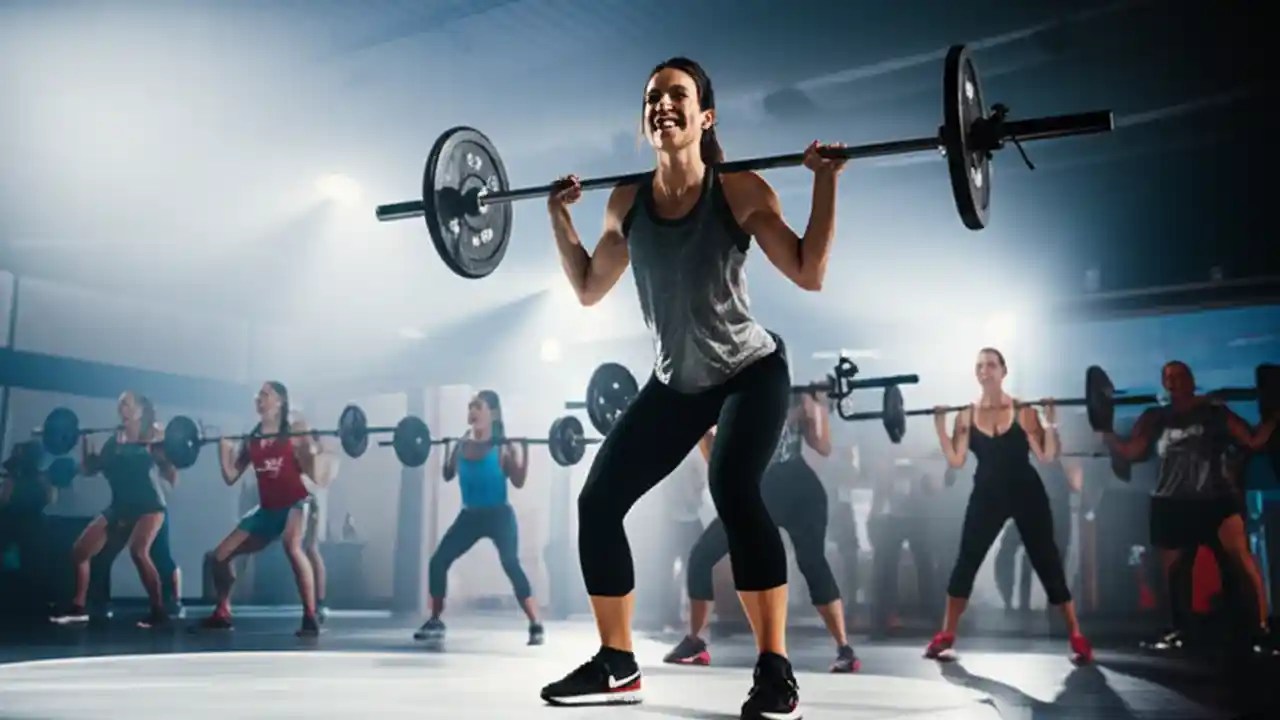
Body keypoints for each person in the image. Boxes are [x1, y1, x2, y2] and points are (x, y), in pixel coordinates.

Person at [538, 55, 845, 719]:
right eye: (653, 97)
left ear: (705, 116)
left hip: (750, 372)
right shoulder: (628, 202)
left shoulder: (738, 190)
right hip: (676, 384)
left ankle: (775, 670)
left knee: (733, 488)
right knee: (598, 502)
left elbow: (808, 271)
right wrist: (559, 220)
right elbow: (591, 287)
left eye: (677, 95)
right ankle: (618, 665)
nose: (662, 106)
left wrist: (825, 185)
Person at [664, 390, 860, 674]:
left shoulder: (785, 398)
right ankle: (695, 643)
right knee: (702, 557)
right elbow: (716, 465)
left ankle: (845, 649)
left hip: (800, 493)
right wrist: (703, 433)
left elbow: (823, 446)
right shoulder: (728, 409)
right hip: (758, 491)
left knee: (812, 563)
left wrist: (820, 408)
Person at [926, 348, 1093, 664]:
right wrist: (939, 427)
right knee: (967, 560)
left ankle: (1076, 635)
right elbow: (957, 460)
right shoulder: (965, 414)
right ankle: (946, 634)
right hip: (987, 494)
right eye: (979, 366)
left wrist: (1052, 423)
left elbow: (1046, 456)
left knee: (1047, 560)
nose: (984, 371)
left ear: (1003, 371)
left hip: (1026, 492)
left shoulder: (1023, 410)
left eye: (991, 365)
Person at [1102, 360, 1277, 654]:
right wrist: (1104, 430)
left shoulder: (1216, 412)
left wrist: (1274, 415)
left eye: (1180, 375)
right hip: (1172, 502)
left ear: (1192, 380)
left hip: (1217, 498)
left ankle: (1260, 629)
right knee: (1175, 575)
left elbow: (1253, 440)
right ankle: (1179, 630)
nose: (1174, 380)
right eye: (1168, 376)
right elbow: (1131, 451)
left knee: (1241, 563)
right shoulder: (1155, 417)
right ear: (1164, 384)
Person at [197, 381, 330, 637]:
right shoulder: (252, 440)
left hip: (296, 502)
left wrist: (312, 444)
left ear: (280, 401)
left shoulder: (294, 430)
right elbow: (231, 476)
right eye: (258, 395)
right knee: (220, 556)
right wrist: (222, 451)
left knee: (292, 546)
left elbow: (315, 461)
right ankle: (222, 611)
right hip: (267, 511)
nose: (259, 399)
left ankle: (310, 616)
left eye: (265, 394)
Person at [413, 390, 543, 646]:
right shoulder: (462, 444)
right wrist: (448, 450)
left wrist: (524, 451)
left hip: (498, 515)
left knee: (510, 563)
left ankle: (535, 622)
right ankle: (436, 620)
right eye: (470, 406)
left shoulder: (503, 447)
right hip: (470, 516)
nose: (472, 411)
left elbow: (518, 482)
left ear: (491, 413)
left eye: (478, 406)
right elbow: (448, 474)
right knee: (438, 561)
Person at [49, 392, 178, 629]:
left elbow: (171, 474)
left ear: (140, 411)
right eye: (120, 404)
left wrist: (164, 451)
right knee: (80, 551)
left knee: (139, 552)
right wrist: (86, 447)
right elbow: (90, 469)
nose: (121, 408)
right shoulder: (112, 442)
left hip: (149, 505)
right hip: (120, 506)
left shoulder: (152, 437)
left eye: (127, 404)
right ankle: (78, 607)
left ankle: (158, 610)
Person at [993, 457, 1078, 614]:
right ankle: (1015, 602)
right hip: (1036, 510)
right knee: (1014, 554)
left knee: (1046, 560)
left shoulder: (1061, 461)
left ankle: (1048, 607)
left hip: (1051, 513)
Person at [868, 455, 940, 634]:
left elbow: (933, 492)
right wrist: (873, 517)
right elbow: (880, 493)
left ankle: (930, 613)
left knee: (922, 566)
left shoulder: (919, 468)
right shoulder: (890, 468)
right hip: (898, 519)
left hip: (913, 518)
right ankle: (886, 615)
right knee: (889, 567)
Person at [1, 440, 58, 616]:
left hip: (17, 523)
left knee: (20, 563)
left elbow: (4, 499)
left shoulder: (17, 478)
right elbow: (51, 499)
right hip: (30, 524)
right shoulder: (42, 478)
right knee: (33, 563)